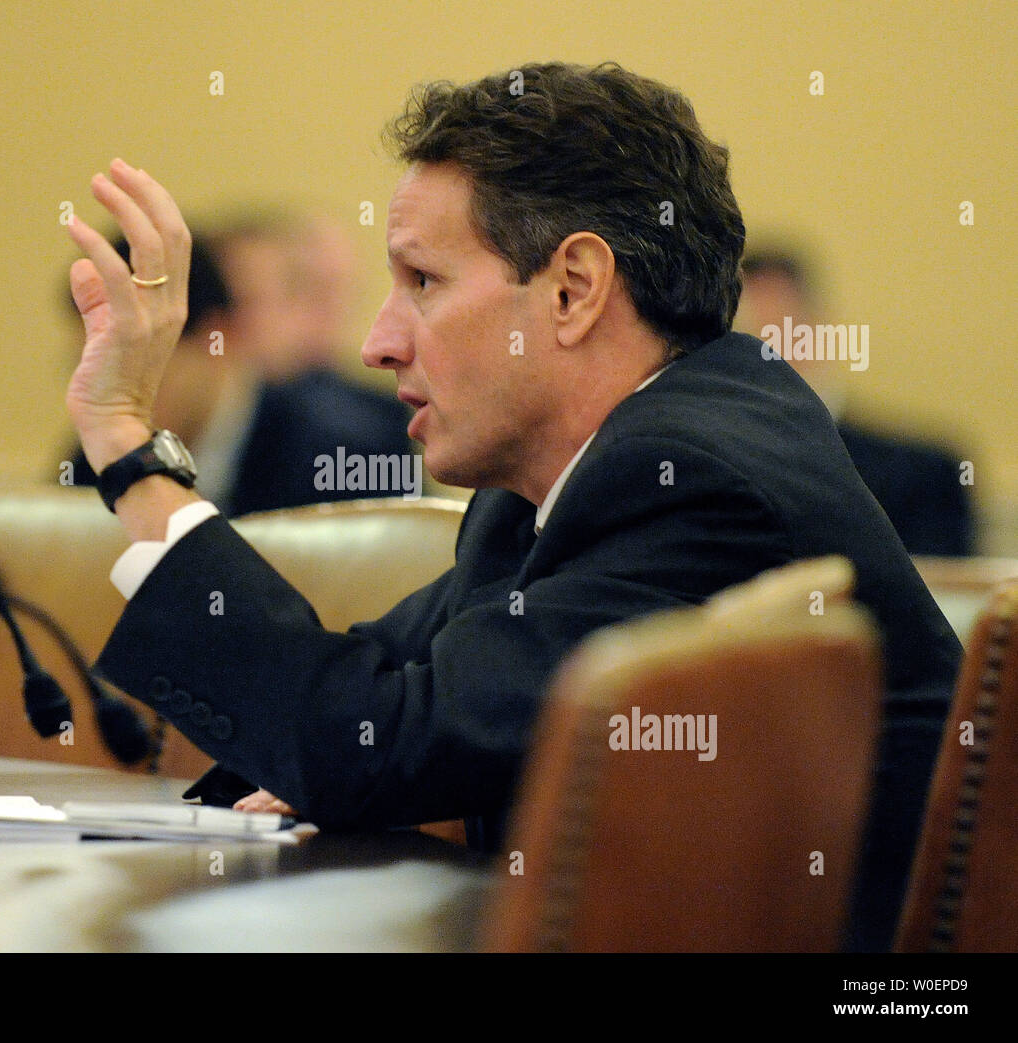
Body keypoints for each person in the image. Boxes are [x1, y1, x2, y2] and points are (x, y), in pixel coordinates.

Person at [62, 62, 961, 951]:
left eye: (423, 281)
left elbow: (370, 740)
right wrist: (320, 751)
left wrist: (127, 447)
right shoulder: (559, 474)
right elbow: (373, 697)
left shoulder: (694, 480)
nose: (376, 343)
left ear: (572, 290)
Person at [65, 234, 413, 516]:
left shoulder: (344, 452)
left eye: (133, 368)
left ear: (216, 338)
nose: (118, 395)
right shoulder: (99, 458)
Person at [736, 248, 976, 556]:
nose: (765, 354)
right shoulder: (693, 469)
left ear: (818, 331)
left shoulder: (921, 476)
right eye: (744, 338)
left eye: (780, 332)